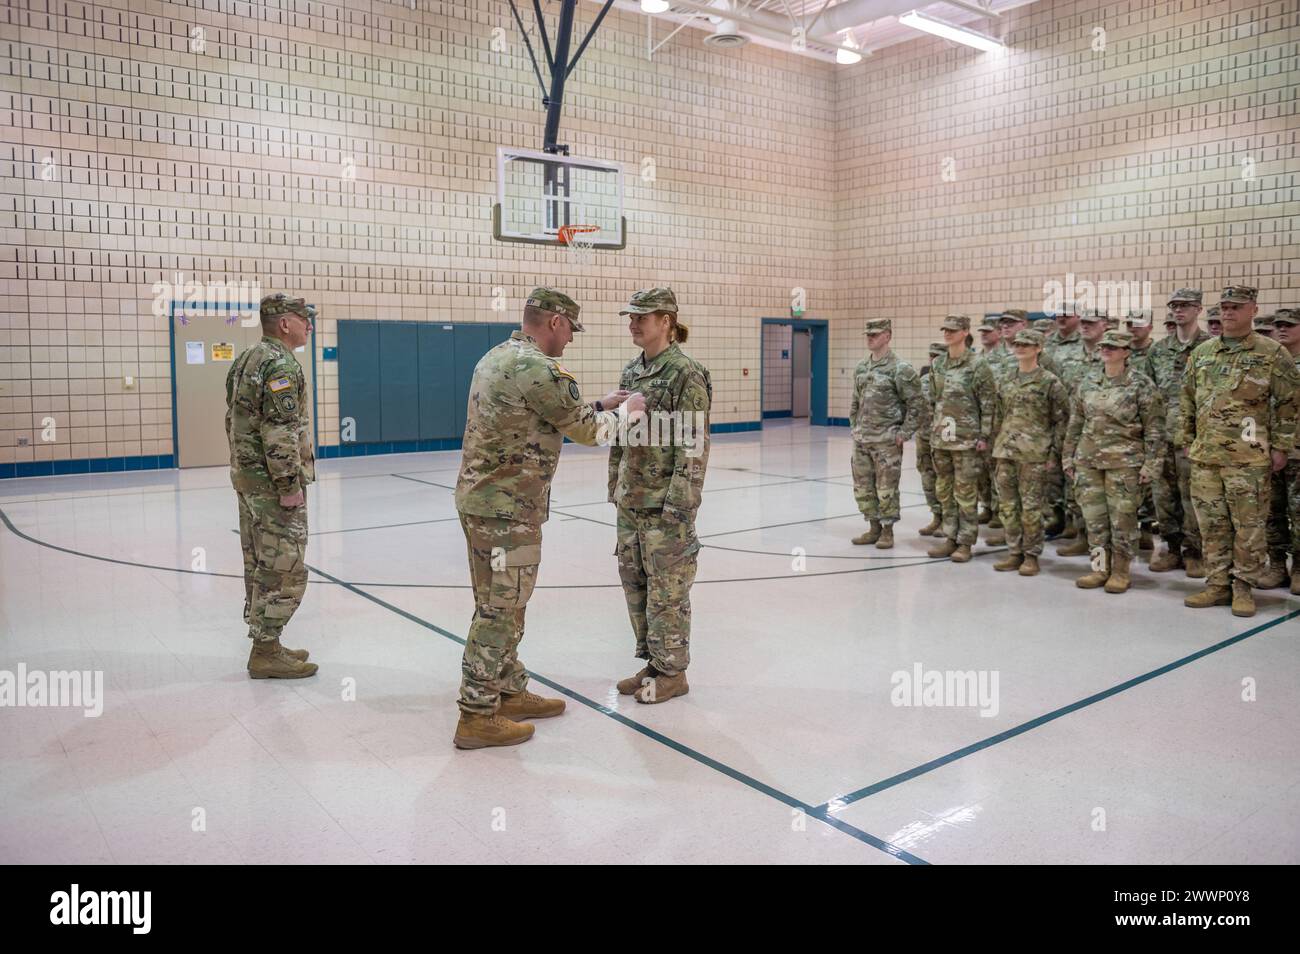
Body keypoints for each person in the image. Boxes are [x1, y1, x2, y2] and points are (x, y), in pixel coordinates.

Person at [453, 287, 642, 748]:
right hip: (507, 510)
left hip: (486, 502)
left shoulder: (498, 357)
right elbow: (588, 433)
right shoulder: (538, 367)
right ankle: (477, 713)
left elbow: (536, 416)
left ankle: (508, 688)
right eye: (571, 330)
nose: (571, 340)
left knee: (503, 601)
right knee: (501, 607)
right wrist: (630, 414)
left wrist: (599, 403)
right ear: (555, 322)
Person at [609, 288, 711, 705]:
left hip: (666, 506)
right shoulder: (633, 372)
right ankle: (653, 660)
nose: (633, 324)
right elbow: (621, 433)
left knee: (668, 590)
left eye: (642, 317)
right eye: (631, 317)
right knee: (636, 583)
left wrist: (680, 507)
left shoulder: (685, 373)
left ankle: (673, 672)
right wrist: (615, 485)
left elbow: (693, 445)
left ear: (666, 321)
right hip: (632, 500)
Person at [1180, 285, 1300, 617]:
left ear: (1253, 310)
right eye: (1224, 307)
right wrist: (1186, 439)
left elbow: (1290, 404)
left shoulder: (1272, 353)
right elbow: (1186, 399)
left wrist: (1281, 447)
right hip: (1206, 458)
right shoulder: (1202, 353)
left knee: (1248, 527)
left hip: (1248, 460)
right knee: (1212, 526)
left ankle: (1243, 586)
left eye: (1236, 307)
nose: (1228, 312)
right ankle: (1217, 585)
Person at [227, 293, 319, 680]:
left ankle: (267, 643)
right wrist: (287, 484)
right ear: (284, 323)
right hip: (271, 485)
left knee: (260, 562)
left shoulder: (246, 359)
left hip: (249, 480)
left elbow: (234, 420)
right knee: (286, 566)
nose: (309, 325)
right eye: (304, 318)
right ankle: (266, 649)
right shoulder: (281, 364)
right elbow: (279, 430)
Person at [1063, 330, 1164, 593]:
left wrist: (1151, 464)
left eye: (1113, 346)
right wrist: (1068, 457)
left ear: (1126, 352)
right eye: (1103, 346)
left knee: (1122, 521)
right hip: (1088, 461)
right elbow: (1075, 423)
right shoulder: (1087, 382)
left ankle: (1120, 571)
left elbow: (1154, 428)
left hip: (1125, 462)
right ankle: (1098, 569)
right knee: (1094, 520)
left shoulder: (1140, 384)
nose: (1106, 349)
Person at [990, 329, 1068, 576]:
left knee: (1032, 508)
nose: (1020, 347)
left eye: (1026, 344)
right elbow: (999, 415)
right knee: (1008, 506)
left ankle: (1031, 555)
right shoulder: (1005, 379)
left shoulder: (1050, 382)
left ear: (1038, 348)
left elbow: (1062, 420)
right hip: (1006, 452)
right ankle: (1015, 551)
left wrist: (1054, 455)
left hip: (1035, 455)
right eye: (1017, 344)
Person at [1148, 288, 1212, 576]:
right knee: (1163, 497)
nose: (1178, 310)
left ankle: (1194, 551)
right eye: (1174, 305)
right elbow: (1148, 396)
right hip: (1161, 438)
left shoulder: (1211, 348)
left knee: (1192, 498)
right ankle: (1171, 547)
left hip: (1193, 439)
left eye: (1185, 305)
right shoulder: (1158, 350)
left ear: (1198, 309)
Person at [927, 315, 996, 563]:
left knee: (965, 493)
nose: (947, 333)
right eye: (945, 329)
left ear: (965, 332)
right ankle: (950, 538)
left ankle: (965, 542)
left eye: (953, 330)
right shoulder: (938, 365)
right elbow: (936, 400)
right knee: (944, 491)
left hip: (967, 440)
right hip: (942, 440)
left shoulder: (978, 365)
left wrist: (984, 436)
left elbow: (988, 403)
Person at [848, 318, 923, 548]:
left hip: (886, 442)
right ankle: (873, 527)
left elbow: (917, 404)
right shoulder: (862, 367)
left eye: (876, 334)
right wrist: (854, 426)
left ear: (888, 336)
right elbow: (855, 401)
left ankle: (887, 531)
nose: (870, 337)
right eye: (868, 334)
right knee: (863, 487)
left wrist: (904, 432)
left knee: (886, 488)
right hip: (862, 440)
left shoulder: (900, 369)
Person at [1053, 309, 1107, 557]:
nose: (1085, 327)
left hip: (1105, 433)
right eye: (1083, 323)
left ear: (1104, 324)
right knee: (1078, 486)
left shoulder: (1112, 354)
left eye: (1091, 323)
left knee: (1106, 492)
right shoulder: (1067, 355)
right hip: (1072, 429)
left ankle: (1108, 546)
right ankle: (1083, 535)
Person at [1267, 309, 1300, 593]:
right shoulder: (1269, 363)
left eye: (1289, 325)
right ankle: (1276, 564)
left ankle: (1299, 567)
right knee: (1271, 511)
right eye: (1278, 325)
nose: (1282, 329)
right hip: (1267, 450)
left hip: (1297, 452)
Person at [916, 342, 946, 536]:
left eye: (938, 355)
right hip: (924, 437)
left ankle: (949, 521)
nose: (934, 359)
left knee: (946, 480)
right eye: (931, 356)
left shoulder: (952, 380)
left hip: (945, 438)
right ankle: (936, 516)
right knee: (928, 478)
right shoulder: (924, 380)